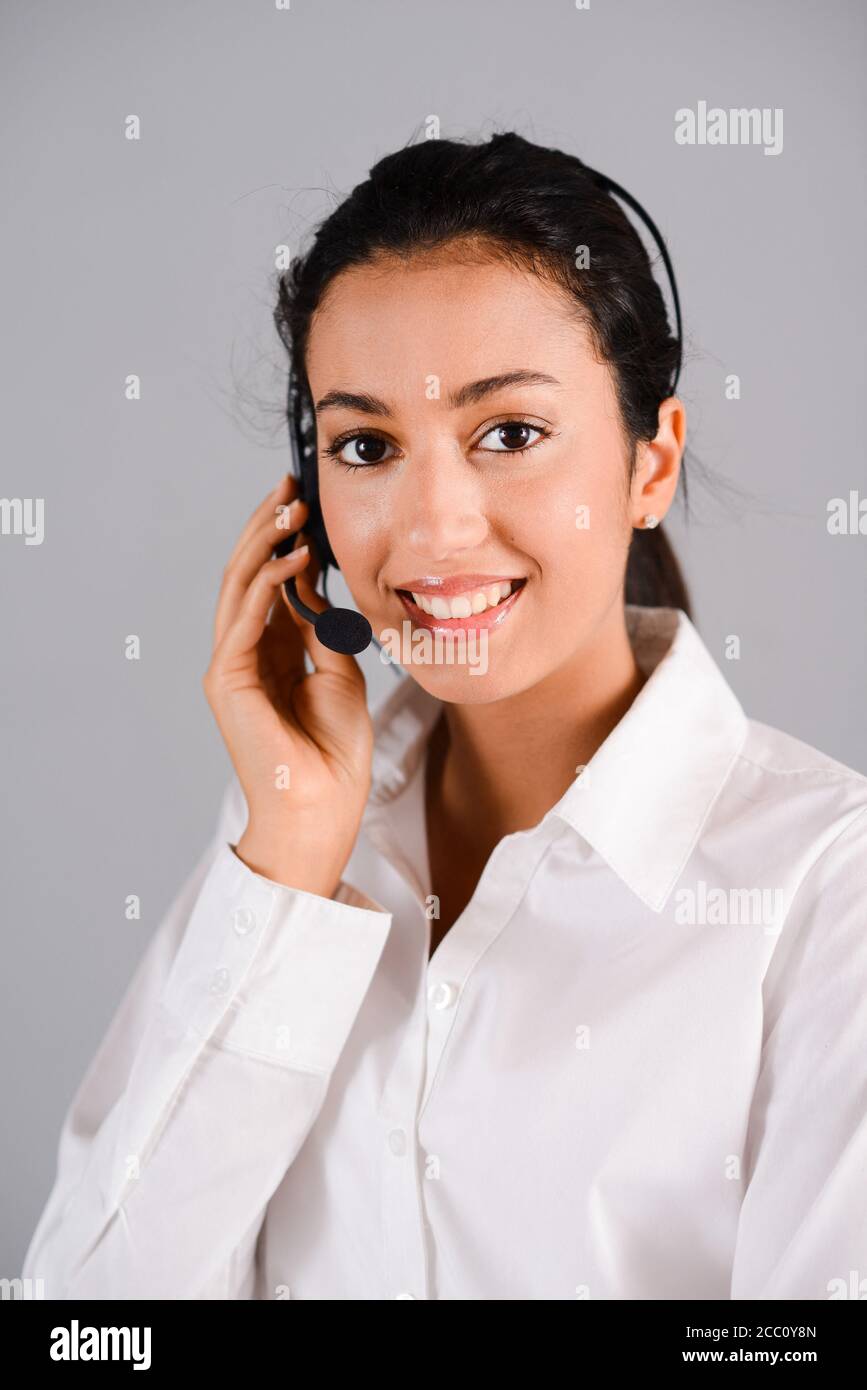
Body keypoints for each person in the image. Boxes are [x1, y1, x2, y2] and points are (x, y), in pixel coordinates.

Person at [23, 131, 867, 1300]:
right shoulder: (298, 849)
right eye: (364, 446)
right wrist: (286, 869)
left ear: (650, 461)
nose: (429, 529)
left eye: (509, 434)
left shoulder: (828, 891)